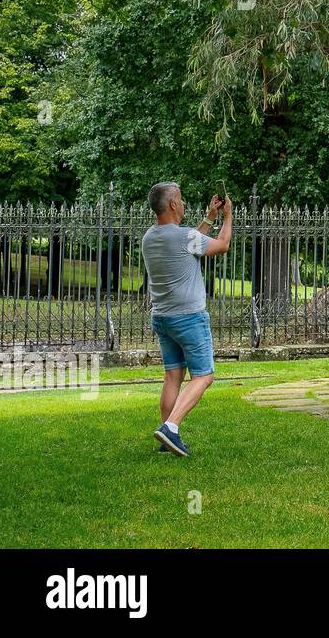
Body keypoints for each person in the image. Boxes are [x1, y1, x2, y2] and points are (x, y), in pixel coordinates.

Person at [140, 182, 234, 456]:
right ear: (171, 205)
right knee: (203, 376)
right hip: (189, 318)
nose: (183, 204)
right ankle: (171, 427)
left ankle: (165, 439)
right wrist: (228, 217)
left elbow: (191, 243)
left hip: (163, 317)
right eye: (179, 200)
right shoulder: (182, 237)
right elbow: (222, 245)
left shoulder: (151, 237)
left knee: (173, 376)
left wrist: (210, 218)